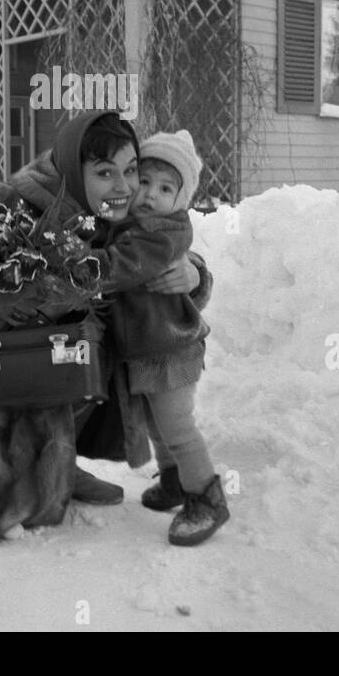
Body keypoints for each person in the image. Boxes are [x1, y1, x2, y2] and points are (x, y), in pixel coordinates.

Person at [0, 109, 211, 548]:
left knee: (82, 345)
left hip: (38, 342)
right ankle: (13, 478)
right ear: (75, 168)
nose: (127, 187)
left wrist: (195, 273)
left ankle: (58, 468)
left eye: (131, 171)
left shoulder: (105, 208)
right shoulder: (18, 202)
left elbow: (146, 253)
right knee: (18, 393)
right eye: (106, 172)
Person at [104, 130, 229, 546]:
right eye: (144, 182)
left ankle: (206, 499)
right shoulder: (133, 224)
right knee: (158, 426)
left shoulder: (163, 233)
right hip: (147, 348)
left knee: (177, 427)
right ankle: (174, 481)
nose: (150, 195)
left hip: (172, 348)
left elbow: (122, 266)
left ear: (182, 199)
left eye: (165, 188)